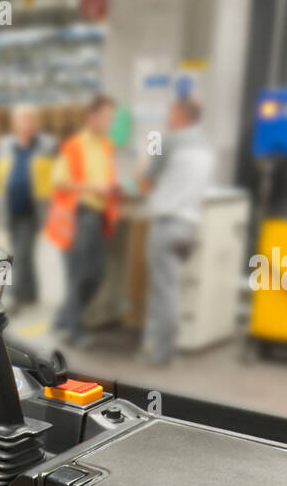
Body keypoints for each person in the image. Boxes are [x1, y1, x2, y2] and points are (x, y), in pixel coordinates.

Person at [136, 97, 215, 365]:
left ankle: (162, 353)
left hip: (168, 224)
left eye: (170, 110)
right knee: (170, 287)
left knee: (163, 290)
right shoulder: (205, 145)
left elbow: (145, 181)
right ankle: (158, 344)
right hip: (190, 227)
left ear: (181, 114)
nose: (167, 115)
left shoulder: (166, 139)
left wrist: (145, 157)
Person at [44, 94, 119, 345]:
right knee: (78, 275)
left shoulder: (106, 146)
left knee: (96, 274)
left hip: (97, 217)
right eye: (106, 117)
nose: (110, 122)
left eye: (112, 117)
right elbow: (58, 180)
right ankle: (74, 331)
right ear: (91, 117)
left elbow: (107, 178)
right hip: (78, 215)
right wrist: (92, 187)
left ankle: (62, 318)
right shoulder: (74, 145)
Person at [0, 104, 57, 309]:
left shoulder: (47, 146)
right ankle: (31, 292)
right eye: (22, 119)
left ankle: (16, 297)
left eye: (30, 119)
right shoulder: (5, 145)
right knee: (22, 253)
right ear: (15, 123)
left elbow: (59, 175)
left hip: (33, 208)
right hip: (9, 208)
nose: (26, 123)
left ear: (35, 122)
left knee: (20, 253)